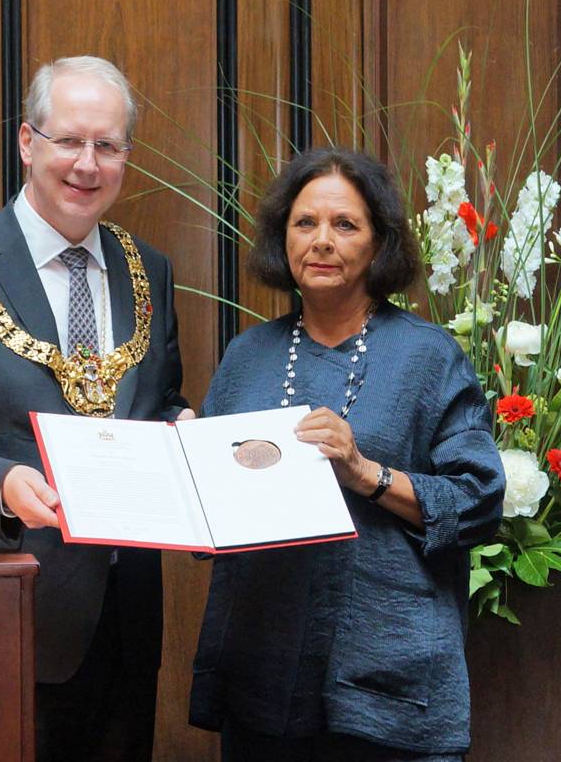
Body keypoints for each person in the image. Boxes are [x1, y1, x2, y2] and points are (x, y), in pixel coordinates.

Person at [0, 55, 192, 762]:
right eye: (69, 141)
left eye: (107, 146)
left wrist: (183, 429)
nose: (87, 164)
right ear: (27, 142)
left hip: (126, 614)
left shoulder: (149, 269)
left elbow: (158, 400)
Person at [188, 147, 505, 761]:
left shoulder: (428, 356)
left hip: (389, 678)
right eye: (305, 224)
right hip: (263, 672)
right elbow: (217, 518)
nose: (322, 241)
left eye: (345, 225)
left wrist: (364, 473)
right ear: (283, 240)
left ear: (379, 244)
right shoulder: (246, 356)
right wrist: (189, 470)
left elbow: (478, 503)